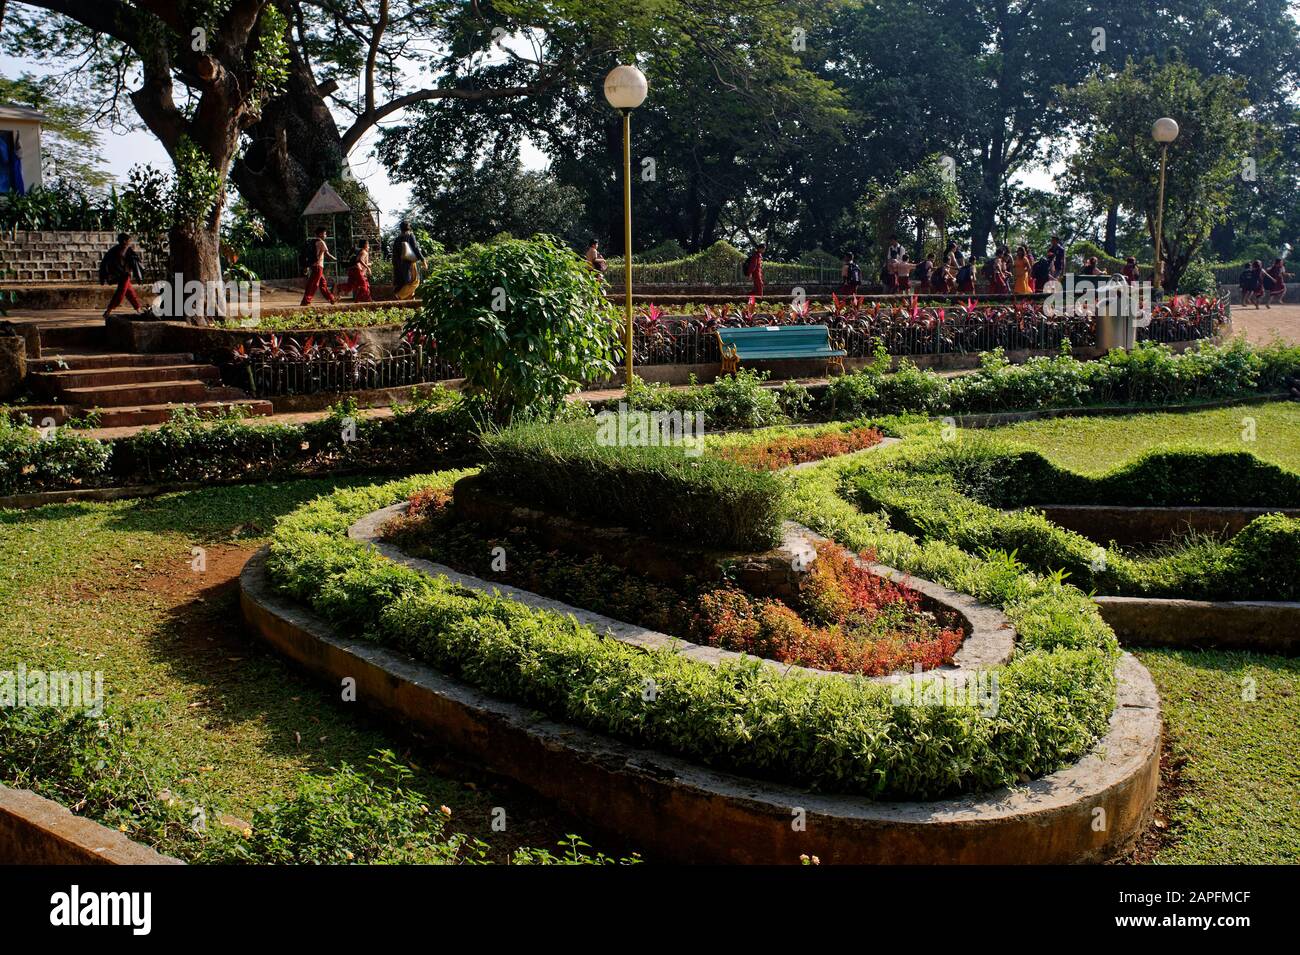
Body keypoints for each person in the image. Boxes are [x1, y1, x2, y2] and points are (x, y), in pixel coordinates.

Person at [99, 233, 146, 319]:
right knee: (126, 292)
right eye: (128, 241)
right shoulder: (113, 251)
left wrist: (138, 276)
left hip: (126, 274)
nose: (129, 242)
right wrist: (104, 276)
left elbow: (136, 263)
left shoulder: (129, 251)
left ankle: (109, 310)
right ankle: (138, 309)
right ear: (124, 241)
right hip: (118, 274)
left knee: (124, 292)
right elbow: (104, 263)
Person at [300, 227, 336, 306]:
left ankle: (331, 298)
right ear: (320, 234)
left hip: (315, 265)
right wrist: (336, 259)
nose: (325, 235)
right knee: (314, 284)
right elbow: (327, 254)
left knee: (322, 284)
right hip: (318, 266)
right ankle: (306, 300)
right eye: (325, 233)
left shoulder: (313, 242)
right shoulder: (322, 242)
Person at [390, 221, 427, 300]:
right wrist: (423, 259)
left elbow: (394, 253)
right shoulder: (410, 235)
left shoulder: (397, 239)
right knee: (415, 282)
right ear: (409, 228)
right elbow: (415, 248)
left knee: (404, 283)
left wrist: (396, 265)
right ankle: (399, 295)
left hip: (399, 264)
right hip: (409, 263)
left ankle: (409, 305)